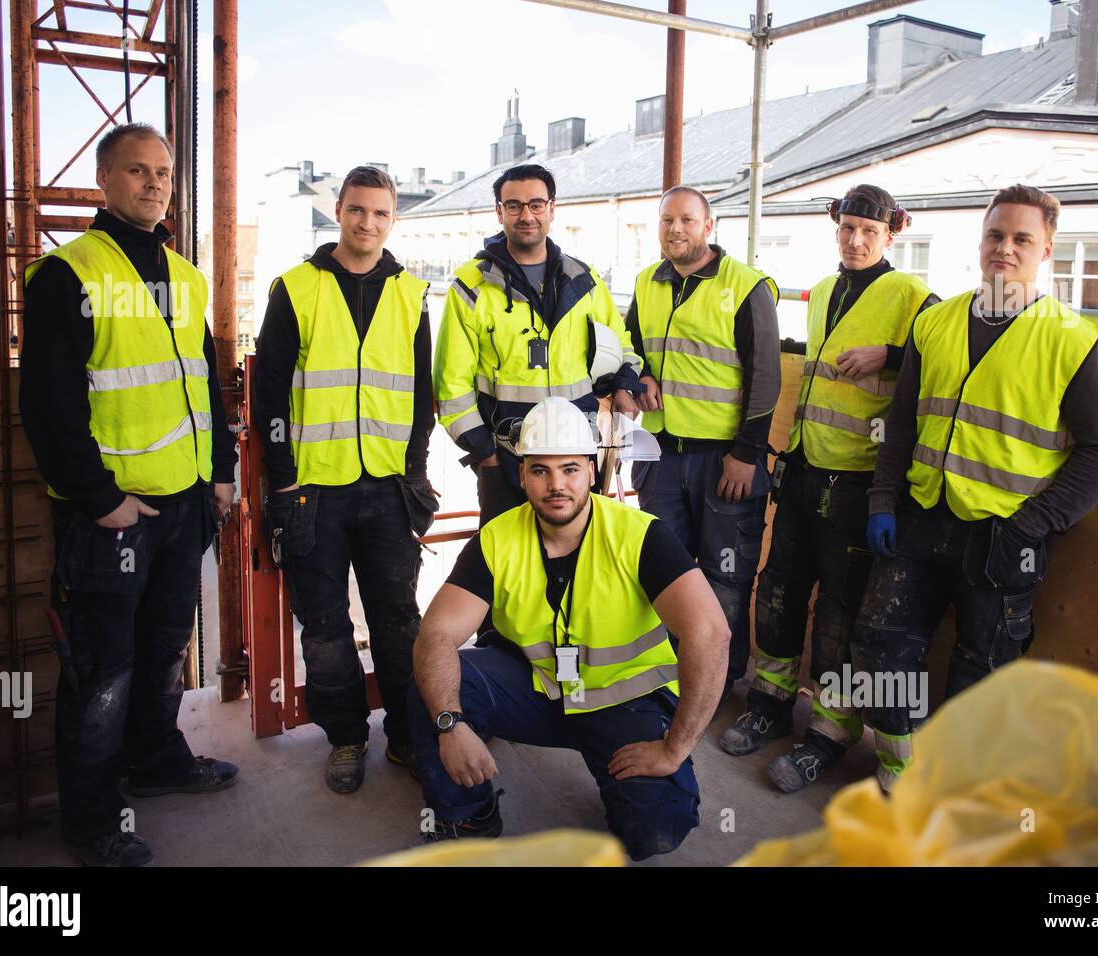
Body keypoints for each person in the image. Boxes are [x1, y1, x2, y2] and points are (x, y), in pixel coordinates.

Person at [854, 183, 1098, 791]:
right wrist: (881, 500)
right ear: (981, 241)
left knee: (983, 667)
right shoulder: (937, 322)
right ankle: (901, 771)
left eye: (1022, 239)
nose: (1005, 248)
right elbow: (901, 424)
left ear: (1047, 249)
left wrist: (1033, 524)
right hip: (921, 516)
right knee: (878, 645)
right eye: (995, 235)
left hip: (1005, 535)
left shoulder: (1074, 338)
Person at [19, 122, 239, 867]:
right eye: (138, 171)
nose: (154, 184)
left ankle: (157, 760)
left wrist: (220, 469)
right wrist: (95, 497)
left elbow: (204, 382)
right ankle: (90, 819)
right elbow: (48, 404)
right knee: (100, 674)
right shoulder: (67, 274)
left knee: (162, 651)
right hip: (111, 515)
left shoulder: (185, 275)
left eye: (164, 173)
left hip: (181, 504)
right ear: (104, 179)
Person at [408, 397, 729, 860]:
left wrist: (673, 749)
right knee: (428, 681)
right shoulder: (497, 538)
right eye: (540, 470)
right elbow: (436, 634)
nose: (556, 484)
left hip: (623, 699)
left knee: (655, 829)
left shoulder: (639, 535)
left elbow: (711, 633)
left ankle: (638, 791)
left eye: (570, 469)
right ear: (522, 476)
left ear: (593, 470)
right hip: (538, 689)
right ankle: (468, 817)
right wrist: (450, 724)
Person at [717, 185, 939, 797]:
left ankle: (829, 733)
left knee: (841, 615)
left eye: (870, 231)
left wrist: (891, 354)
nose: (856, 240)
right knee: (779, 592)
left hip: (860, 484)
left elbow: (944, 362)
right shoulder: (822, 292)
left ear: (892, 232)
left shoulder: (915, 297)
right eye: (847, 228)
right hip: (806, 468)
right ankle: (768, 703)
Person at [252, 165, 435, 792]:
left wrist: (414, 471)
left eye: (380, 213)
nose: (367, 223)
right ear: (338, 210)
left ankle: (410, 739)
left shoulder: (411, 294)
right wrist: (282, 481)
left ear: (393, 218)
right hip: (314, 489)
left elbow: (422, 394)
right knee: (327, 627)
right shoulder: (296, 288)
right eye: (357, 210)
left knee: (398, 621)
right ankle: (348, 740)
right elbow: (269, 393)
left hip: (387, 489)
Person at [625, 186, 781, 701]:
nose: (675, 230)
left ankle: (718, 681)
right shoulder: (648, 282)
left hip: (722, 460)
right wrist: (637, 376)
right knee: (663, 570)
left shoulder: (747, 286)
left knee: (724, 576)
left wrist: (746, 454)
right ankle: (669, 677)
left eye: (687, 221)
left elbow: (765, 378)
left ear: (709, 227)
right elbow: (629, 349)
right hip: (661, 454)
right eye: (667, 220)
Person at [434, 164, 642, 527]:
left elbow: (621, 345)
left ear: (551, 208)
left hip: (576, 456)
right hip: (507, 459)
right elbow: (451, 384)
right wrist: (486, 454)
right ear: (499, 212)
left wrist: (626, 384)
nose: (526, 215)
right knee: (507, 566)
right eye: (513, 206)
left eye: (535, 204)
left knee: (578, 563)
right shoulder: (472, 287)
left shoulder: (584, 280)